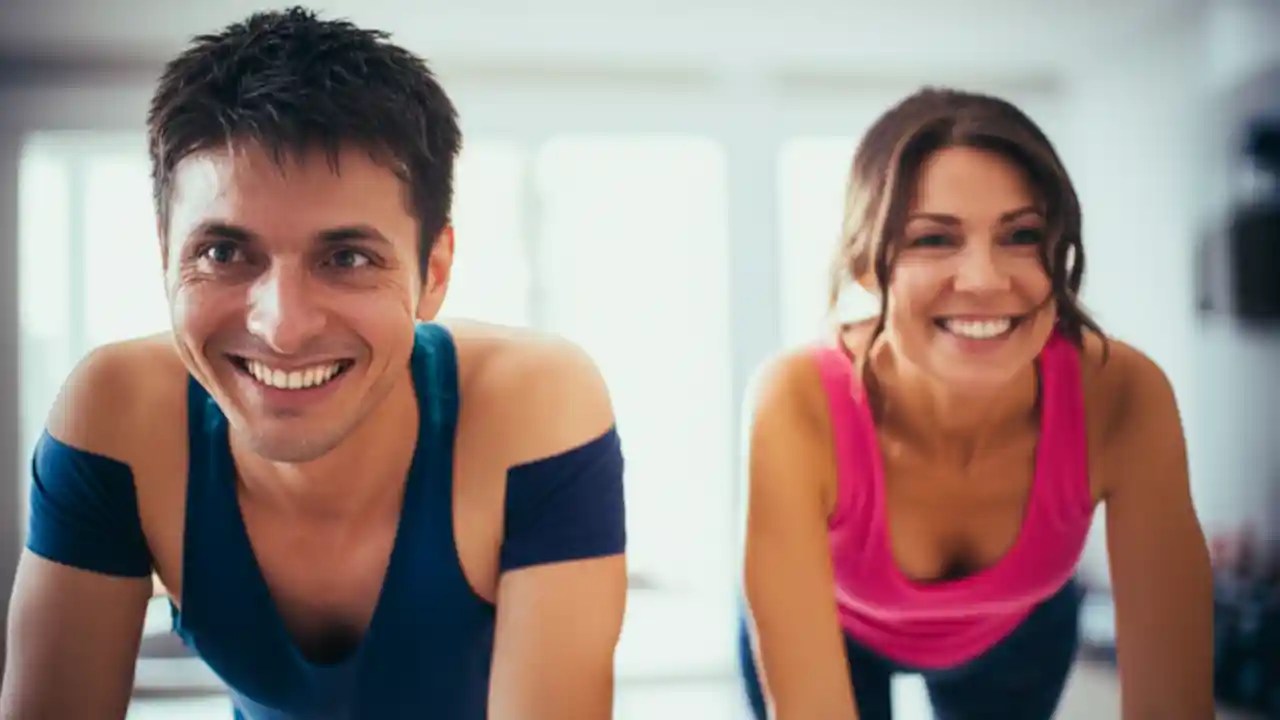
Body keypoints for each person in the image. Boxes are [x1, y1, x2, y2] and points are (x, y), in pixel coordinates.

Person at [0, 8, 627, 720]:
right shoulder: (117, 414)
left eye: (348, 258)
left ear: (435, 270)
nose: (283, 327)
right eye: (223, 253)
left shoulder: (535, 404)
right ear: (164, 255)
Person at [737, 87, 1214, 720]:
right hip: (836, 625)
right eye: (934, 240)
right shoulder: (797, 402)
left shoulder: (1122, 393)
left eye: (1021, 235)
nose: (986, 280)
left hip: (1016, 631)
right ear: (864, 266)